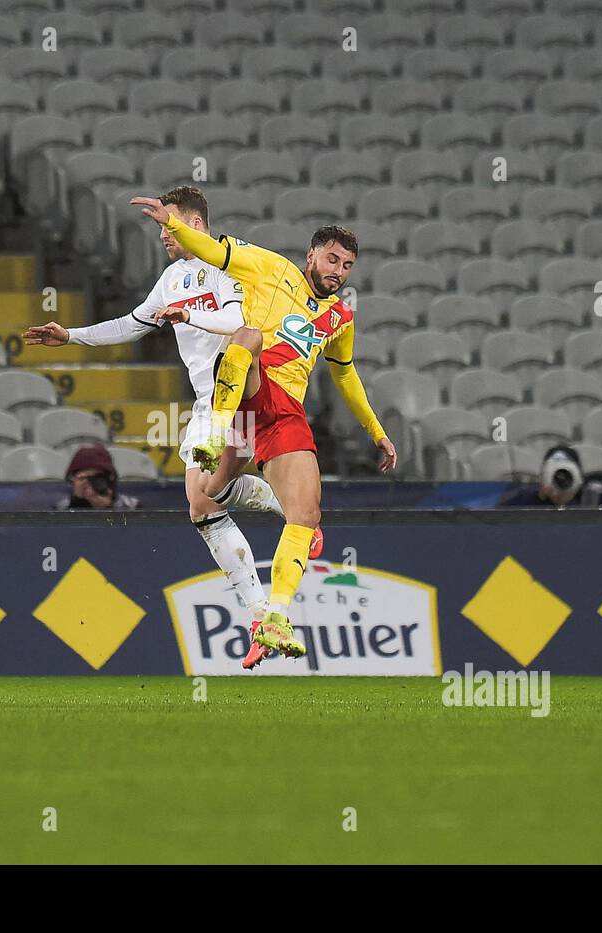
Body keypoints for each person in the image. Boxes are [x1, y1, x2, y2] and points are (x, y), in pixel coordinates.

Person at [25, 185, 321, 669]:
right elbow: (132, 323)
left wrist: (190, 314)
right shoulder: (171, 278)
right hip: (209, 403)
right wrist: (72, 335)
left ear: (194, 224)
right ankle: (264, 606)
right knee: (203, 504)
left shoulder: (234, 266)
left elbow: (238, 322)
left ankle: (276, 558)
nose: (163, 236)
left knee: (208, 493)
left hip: (246, 391)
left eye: (168, 226)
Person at [130, 195, 398, 663]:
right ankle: (214, 433)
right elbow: (214, 252)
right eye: (332, 259)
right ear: (311, 255)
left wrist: (377, 432)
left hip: (282, 412)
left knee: (292, 514)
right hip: (249, 386)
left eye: (348, 265)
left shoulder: (340, 318)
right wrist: (177, 225)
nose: (338, 271)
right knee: (249, 337)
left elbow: (346, 376)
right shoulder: (270, 267)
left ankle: (273, 619)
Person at [498, 444, 602, 508]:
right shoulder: (524, 498)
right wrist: (539, 498)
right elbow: (495, 518)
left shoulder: (596, 496)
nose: (561, 480)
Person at [56, 444, 139, 510]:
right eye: (82, 478)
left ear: (110, 478)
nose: (89, 484)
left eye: (96, 478)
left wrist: (109, 509)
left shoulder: (131, 507)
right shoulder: (61, 508)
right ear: (73, 481)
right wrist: (75, 505)